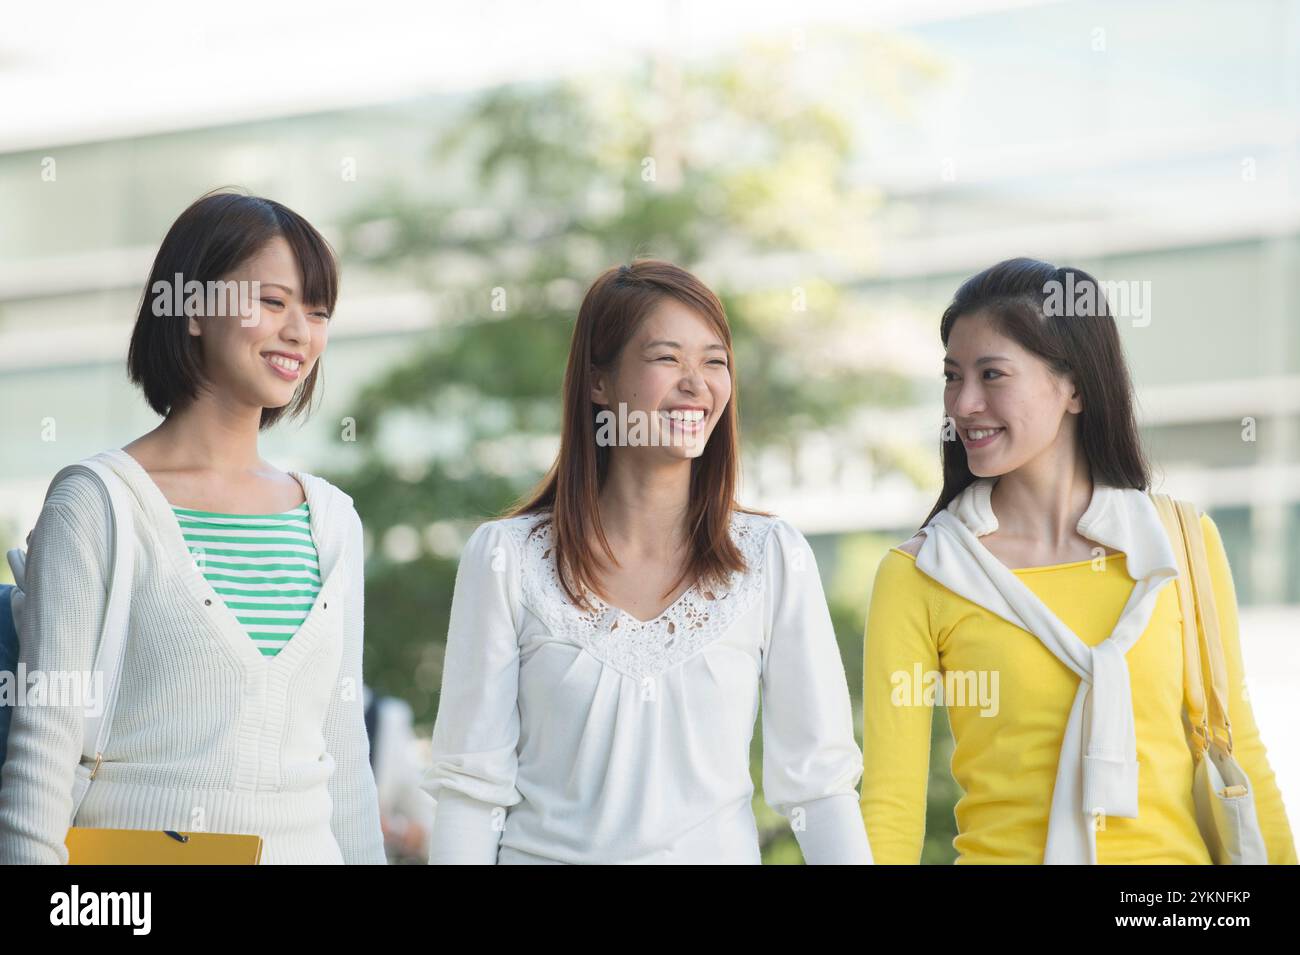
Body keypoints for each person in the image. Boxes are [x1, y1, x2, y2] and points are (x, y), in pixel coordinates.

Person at [423, 260, 871, 864]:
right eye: (667, 358)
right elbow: (469, 789)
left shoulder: (770, 557)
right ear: (598, 382)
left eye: (714, 361)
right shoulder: (506, 559)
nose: (696, 384)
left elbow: (819, 787)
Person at [860, 257, 1297, 864]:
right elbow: (891, 806)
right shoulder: (921, 574)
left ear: (1075, 387)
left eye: (992, 375)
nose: (963, 404)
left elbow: (1238, 745)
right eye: (952, 377)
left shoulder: (1180, 543)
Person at [0, 190, 386, 864]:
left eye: (318, 312)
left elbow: (346, 757)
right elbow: (42, 758)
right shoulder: (98, 503)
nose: (300, 331)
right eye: (272, 301)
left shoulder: (332, 520)